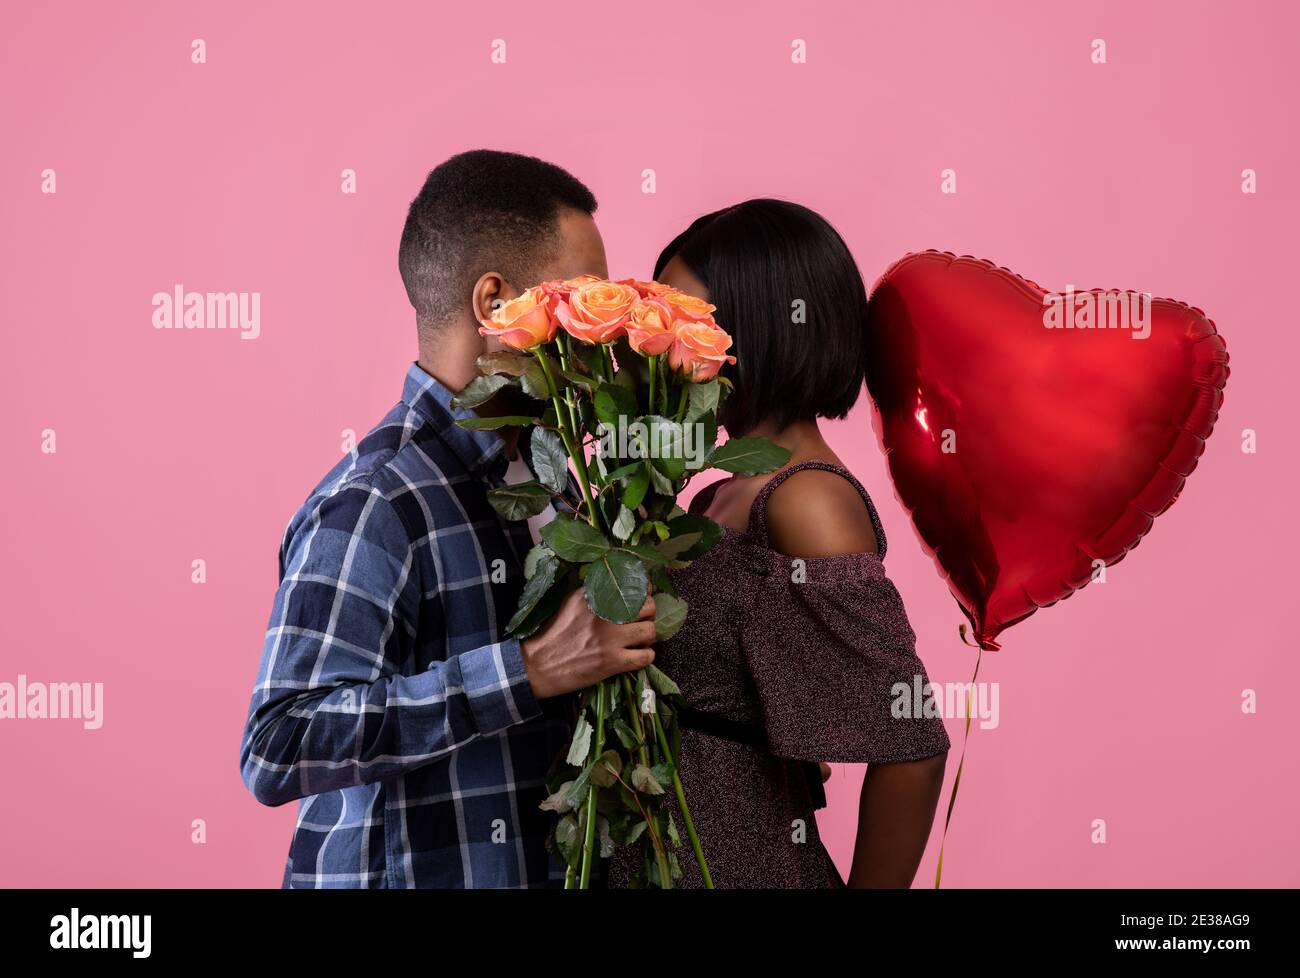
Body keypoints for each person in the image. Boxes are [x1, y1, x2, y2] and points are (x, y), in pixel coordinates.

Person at [239, 150, 658, 888]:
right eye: (583, 298)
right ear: (494, 303)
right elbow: (278, 744)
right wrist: (525, 672)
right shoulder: (376, 499)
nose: (602, 327)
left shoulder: (557, 476)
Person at [606, 199, 951, 888]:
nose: (653, 337)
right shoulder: (720, 491)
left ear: (756, 323)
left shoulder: (805, 501)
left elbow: (912, 746)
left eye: (680, 316)